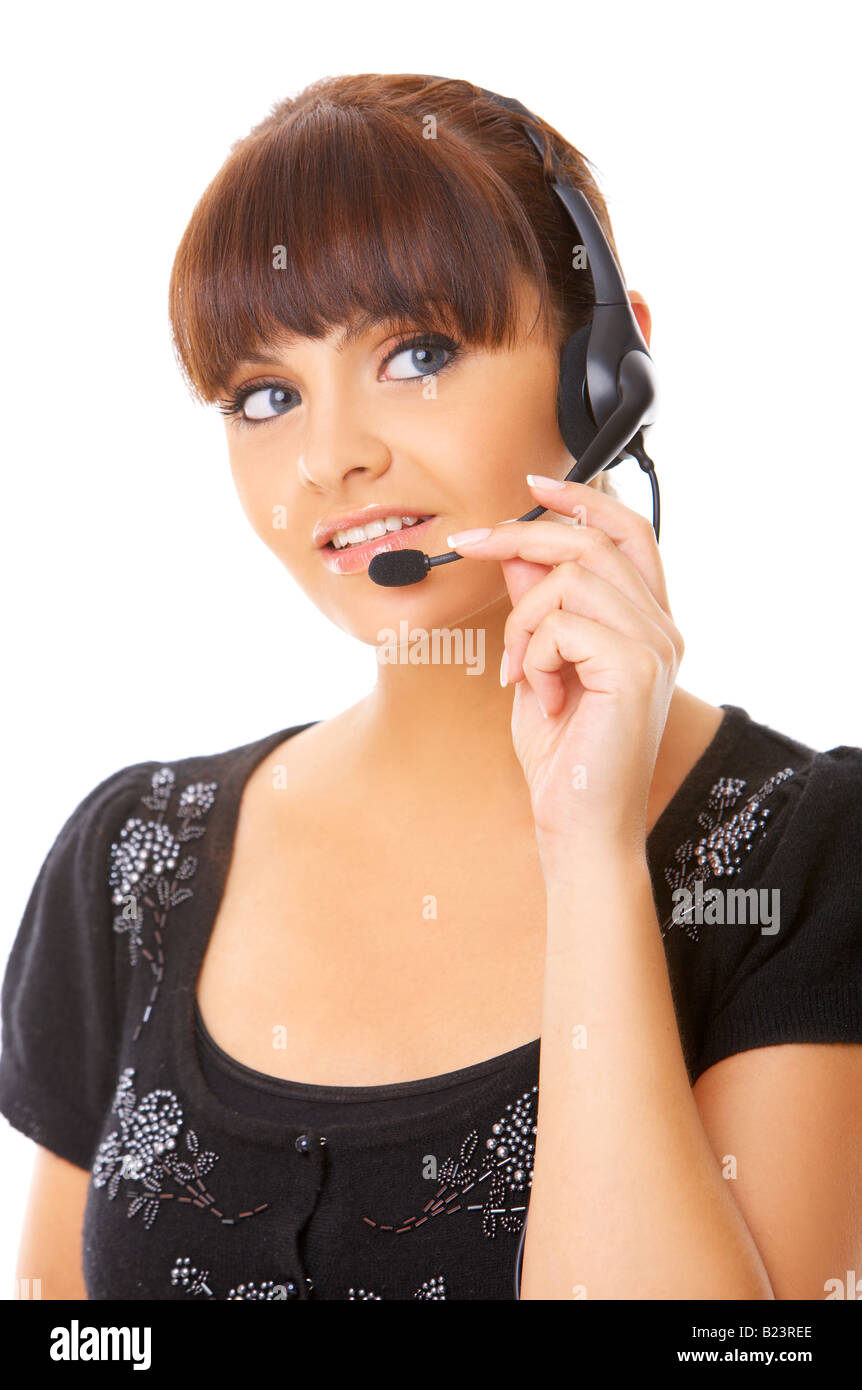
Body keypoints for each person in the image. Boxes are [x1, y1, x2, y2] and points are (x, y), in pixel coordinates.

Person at [3, 73, 861, 1302]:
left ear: (605, 374)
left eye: (416, 352)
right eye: (265, 395)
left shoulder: (805, 854)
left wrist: (591, 855)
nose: (329, 455)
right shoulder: (130, 858)